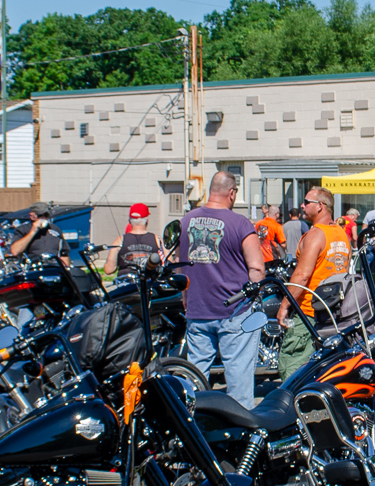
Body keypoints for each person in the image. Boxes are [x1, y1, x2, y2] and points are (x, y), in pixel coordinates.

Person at [181, 172, 267, 405]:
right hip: (235, 309)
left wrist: (185, 297)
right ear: (232, 193)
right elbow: (257, 269)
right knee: (238, 375)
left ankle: (190, 423)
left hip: (197, 308)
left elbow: (181, 267)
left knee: (194, 374)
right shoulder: (240, 223)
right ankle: (240, 431)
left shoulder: (187, 220)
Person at [280, 186, 352, 377]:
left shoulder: (315, 235)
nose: (302, 206)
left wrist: (285, 305)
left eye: (306, 202)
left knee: (291, 368)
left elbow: (302, 275)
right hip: (334, 311)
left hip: (310, 313)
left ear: (320, 206)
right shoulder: (341, 234)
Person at [104, 202, 165, 274]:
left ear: (129, 220)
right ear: (147, 220)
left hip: (126, 282)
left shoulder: (119, 241)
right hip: (150, 282)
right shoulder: (157, 240)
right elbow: (168, 262)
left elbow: (109, 269)